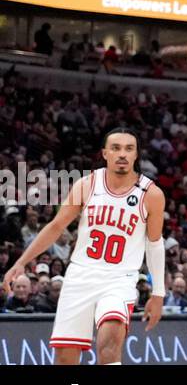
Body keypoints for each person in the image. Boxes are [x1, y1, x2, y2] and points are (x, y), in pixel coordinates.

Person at [2, 127, 165, 364]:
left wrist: (158, 293)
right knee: (65, 359)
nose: (122, 154)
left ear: (136, 155)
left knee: (109, 347)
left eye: (129, 149)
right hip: (80, 276)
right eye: (116, 148)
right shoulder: (87, 185)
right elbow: (57, 226)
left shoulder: (151, 194)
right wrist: (21, 262)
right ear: (105, 153)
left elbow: (155, 244)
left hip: (119, 279)